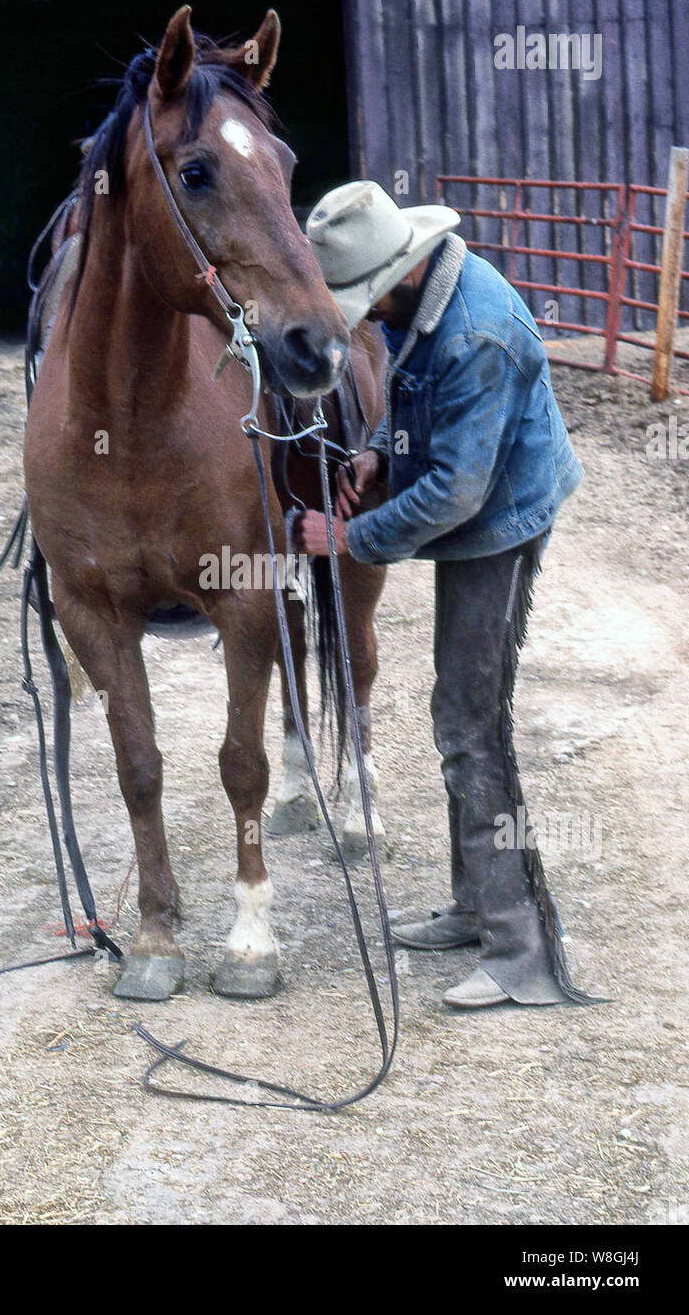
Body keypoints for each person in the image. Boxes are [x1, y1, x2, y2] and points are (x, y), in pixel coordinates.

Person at [297, 180, 597, 1009]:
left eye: (363, 298)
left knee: (473, 726)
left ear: (397, 269)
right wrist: (377, 450)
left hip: (501, 523)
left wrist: (350, 538)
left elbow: (457, 492)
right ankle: (475, 907)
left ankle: (520, 951)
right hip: (476, 507)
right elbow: (406, 393)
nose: (363, 316)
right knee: (458, 714)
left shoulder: (476, 333)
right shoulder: (417, 301)